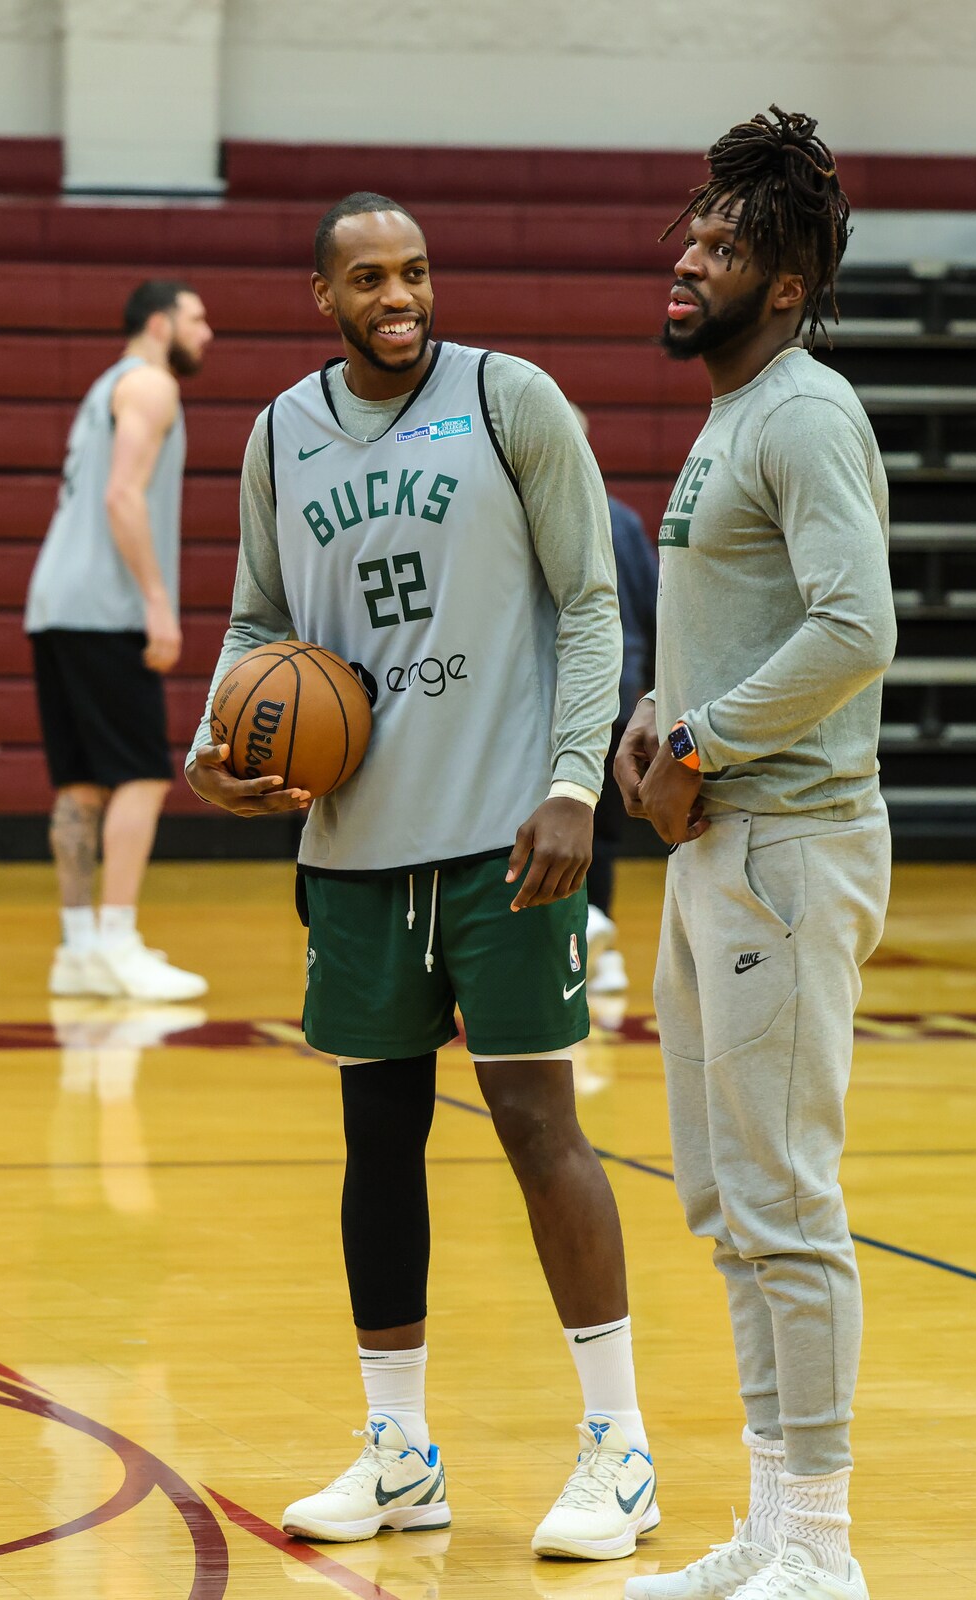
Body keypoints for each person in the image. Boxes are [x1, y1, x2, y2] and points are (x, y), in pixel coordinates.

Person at [186, 193, 659, 1561]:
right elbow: (256, 626)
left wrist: (574, 787)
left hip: (509, 832)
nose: (401, 296)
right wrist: (220, 745)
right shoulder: (279, 433)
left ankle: (617, 1454)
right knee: (377, 1143)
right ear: (324, 296)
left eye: (417, 272)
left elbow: (590, 603)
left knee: (533, 1121)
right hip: (353, 846)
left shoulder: (510, 399)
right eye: (370, 278)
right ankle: (399, 1458)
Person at [616, 109, 896, 1600]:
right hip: (713, 842)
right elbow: (736, 627)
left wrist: (702, 743)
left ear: (783, 286)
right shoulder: (733, 414)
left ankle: (828, 1550)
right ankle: (772, 1526)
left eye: (724, 246)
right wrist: (648, 732)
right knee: (728, 1203)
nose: (689, 258)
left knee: (787, 1199)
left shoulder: (799, 412)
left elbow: (861, 626)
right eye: (693, 233)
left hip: (787, 840)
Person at [25, 279, 213, 1003]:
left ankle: (77, 949)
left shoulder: (108, 384)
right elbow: (121, 495)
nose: (209, 332)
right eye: (198, 319)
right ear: (161, 323)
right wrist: (158, 601)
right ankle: (118, 938)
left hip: (52, 601)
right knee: (141, 773)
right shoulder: (151, 385)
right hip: (103, 606)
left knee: (80, 783)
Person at [571, 407, 659, 998]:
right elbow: (657, 619)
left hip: (576, 702)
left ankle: (586, 946)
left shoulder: (604, 522)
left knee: (567, 827)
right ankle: (600, 951)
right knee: (598, 833)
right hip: (615, 699)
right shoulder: (622, 520)